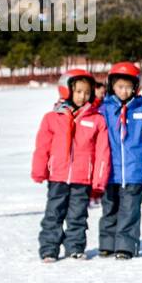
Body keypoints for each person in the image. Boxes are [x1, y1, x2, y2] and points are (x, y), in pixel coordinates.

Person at [31, 69, 110, 261]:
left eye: (87, 92)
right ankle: (49, 248)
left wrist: (99, 179)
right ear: (67, 90)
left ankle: (75, 247)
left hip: (82, 178)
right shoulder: (52, 118)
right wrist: (39, 170)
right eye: (79, 91)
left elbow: (102, 152)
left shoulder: (97, 119)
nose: (83, 96)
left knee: (77, 215)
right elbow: (43, 146)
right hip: (57, 176)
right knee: (53, 214)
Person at [98, 61, 142, 259]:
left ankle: (126, 245)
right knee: (109, 208)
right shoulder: (103, 110)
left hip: (134, 170)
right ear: (112, 85)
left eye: (128, 86)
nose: (124, 91)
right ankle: (107, 242)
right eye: (120, 86)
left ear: (136, 87)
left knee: (130, 210)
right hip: (109, 170)